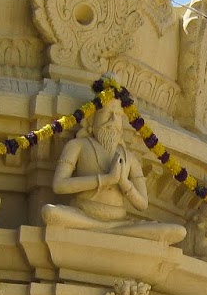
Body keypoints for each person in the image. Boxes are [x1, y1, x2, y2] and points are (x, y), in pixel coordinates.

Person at [41, 100, 184, 243]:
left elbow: (142, 204)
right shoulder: (78, 145)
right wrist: (106, 179)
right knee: (50, 212)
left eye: (118, 115)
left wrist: (124, 182)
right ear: (91, 120)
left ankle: (109, 230)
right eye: (106, 113)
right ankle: (104, 230)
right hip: (83, 215)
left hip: (120, 222)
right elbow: (59, 185)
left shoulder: (130, 157)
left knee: (178, 231)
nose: (113, 120)